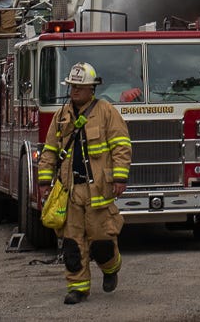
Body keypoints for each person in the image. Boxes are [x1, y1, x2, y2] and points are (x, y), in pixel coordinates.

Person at [36, 61, 132, 305]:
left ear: (92, 89)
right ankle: (78, 288)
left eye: (80, 86)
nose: (74, 91)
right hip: (71, 191)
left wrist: (120, 177)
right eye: (72, 86)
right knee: (72, 244)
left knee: (102, 243)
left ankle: (111, 268)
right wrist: (45, 181)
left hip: (98, 190)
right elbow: (49, 150)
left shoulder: (106, 112)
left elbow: (122, 146)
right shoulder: (61, 115)